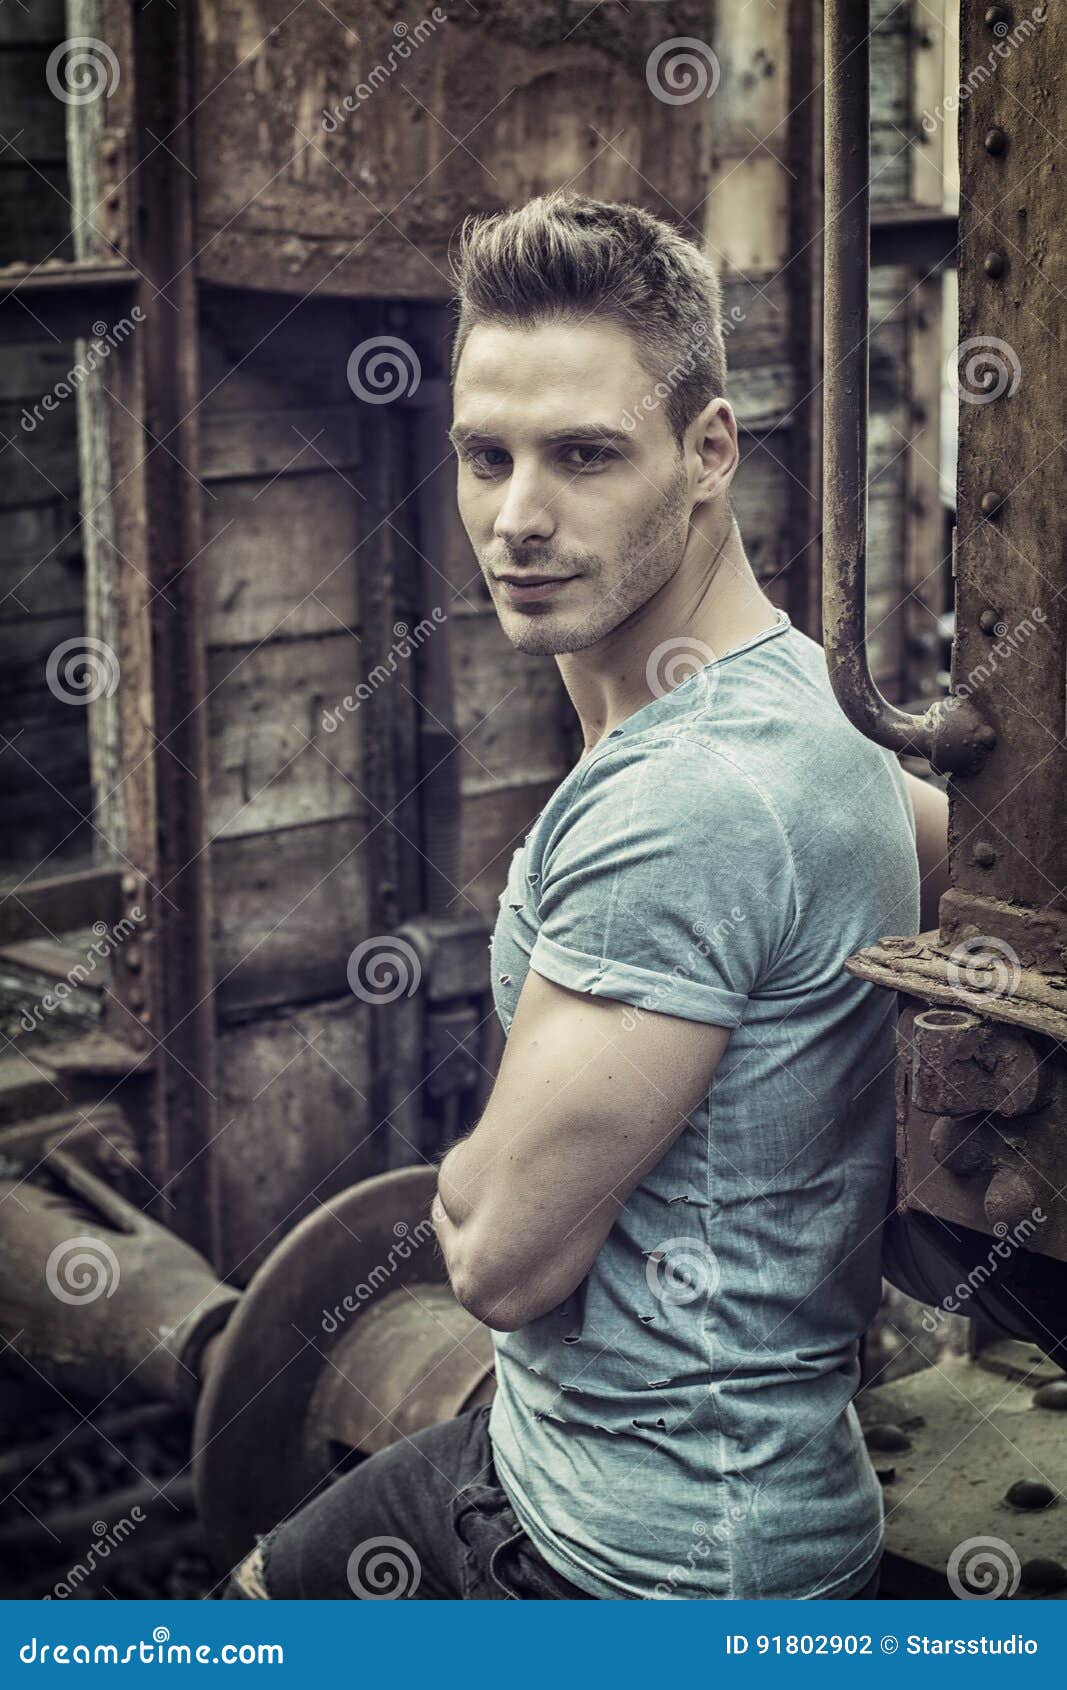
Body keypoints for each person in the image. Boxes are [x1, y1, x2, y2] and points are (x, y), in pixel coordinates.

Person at [225, 191, 948, 1601]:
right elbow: (904, 851)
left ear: (709, 452)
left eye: (585, 455)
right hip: (536, 1453)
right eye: (485, 457)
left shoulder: (686, 800)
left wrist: (472, 1174)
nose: (518, 518)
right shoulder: (799, 689)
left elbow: (496, 1263)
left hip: (640, 1566)